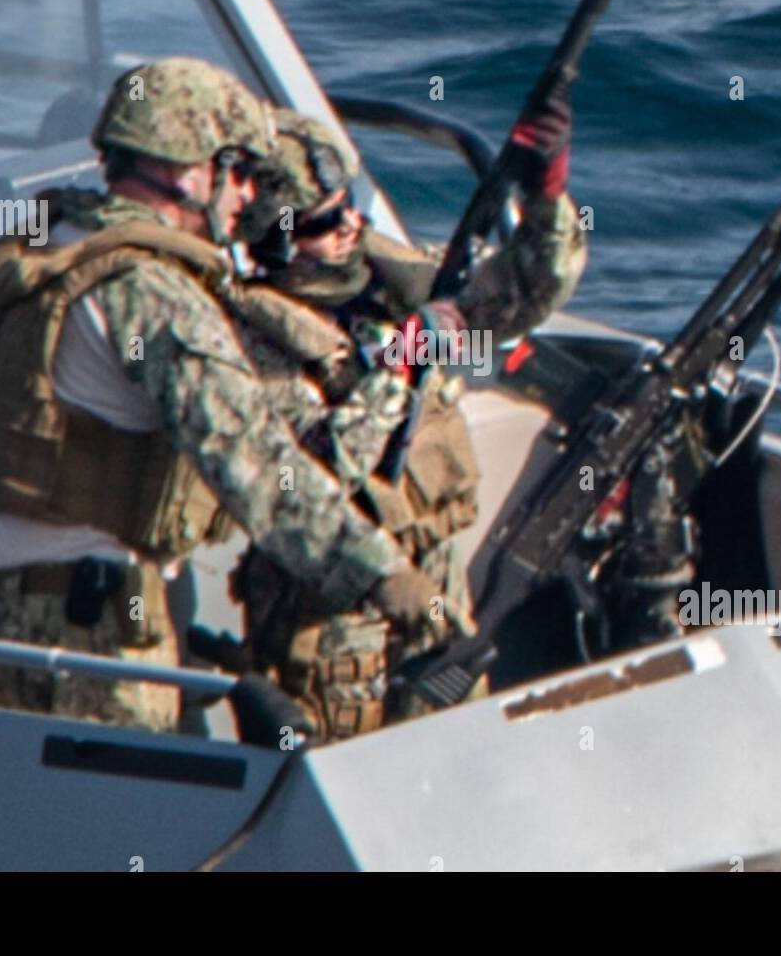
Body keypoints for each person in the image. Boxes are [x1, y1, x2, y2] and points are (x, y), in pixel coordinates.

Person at [0, 58, 432, 733]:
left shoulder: (41, 249)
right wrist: (392, 582)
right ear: (190, 171)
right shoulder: (151, 294)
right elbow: (259, 472)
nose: (247, 197)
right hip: (82, 639)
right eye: (237, 171)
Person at [229, 96, 587, 727]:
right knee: (348, 765)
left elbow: (524, 292)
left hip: (435, 569)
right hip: (337, 603)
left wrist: (545, 192)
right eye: (322, 223)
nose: (348, 228)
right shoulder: (251, 339)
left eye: (350, 208)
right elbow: (317, 467)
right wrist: (403, 361)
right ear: (277, 237)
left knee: (461, 745)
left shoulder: (394, 282)